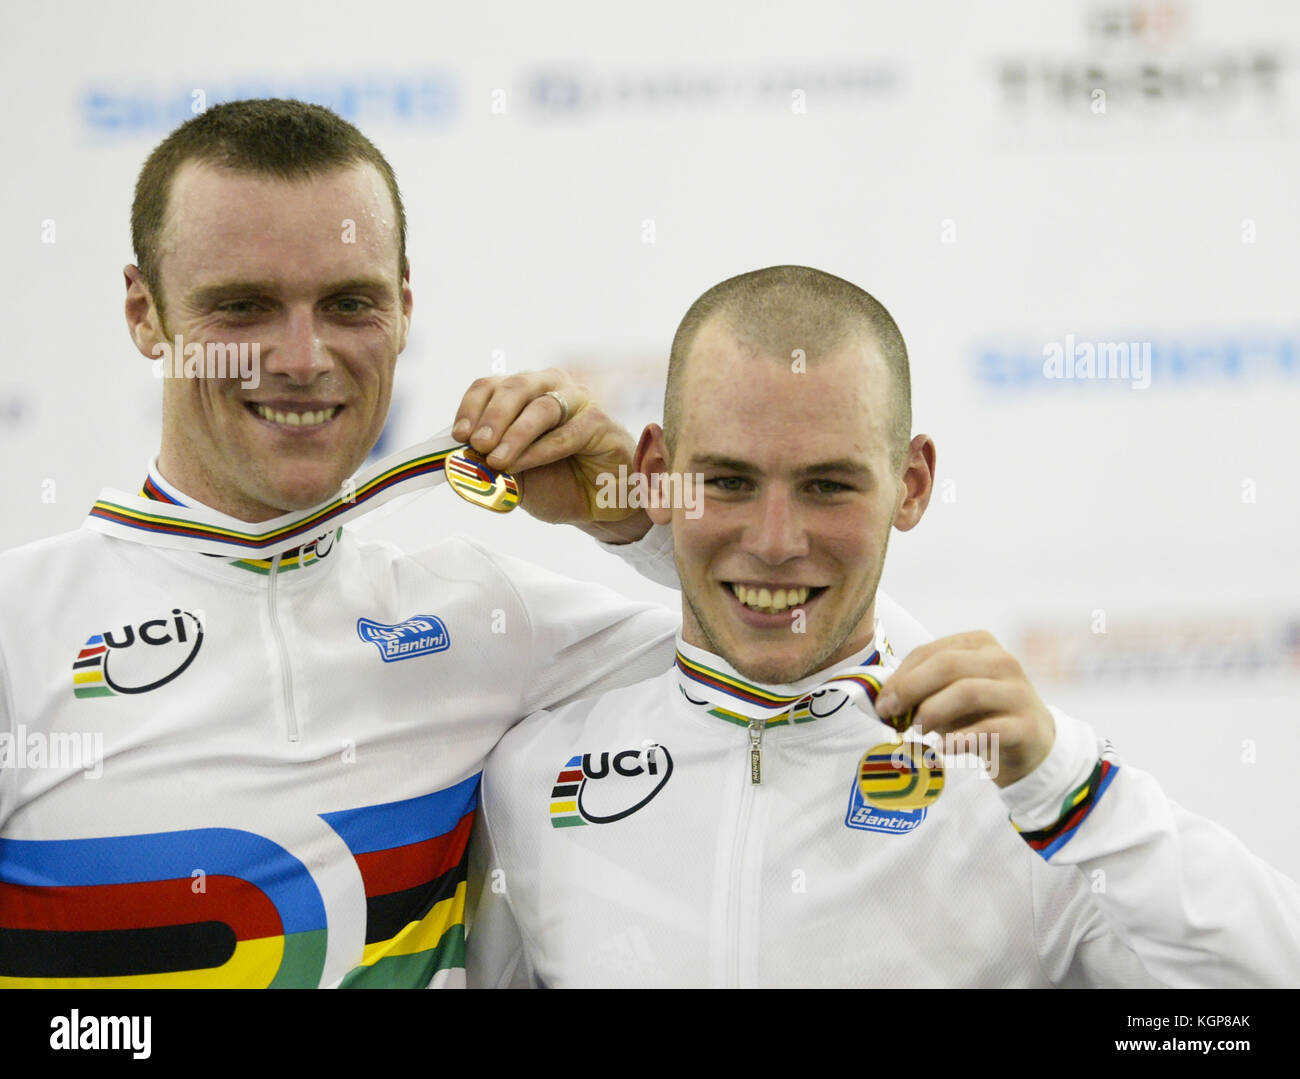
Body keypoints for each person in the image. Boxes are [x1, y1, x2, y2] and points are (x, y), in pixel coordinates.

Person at [0, 98, 693, 989]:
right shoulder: (21, 630)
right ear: (146, 314)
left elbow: (817, 664)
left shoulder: (481, 619)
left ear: (404, 308)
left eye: (348, 303)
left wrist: (633, 514)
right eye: (243, 306)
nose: (301, 356)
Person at [466, 265, 1300, 988]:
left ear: (911, 483)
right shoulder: (534, 777)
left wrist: (1077, 792)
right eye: (726, 480)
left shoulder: (1017, 797)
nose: (775, 541)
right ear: (654, 474)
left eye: (829, 486)